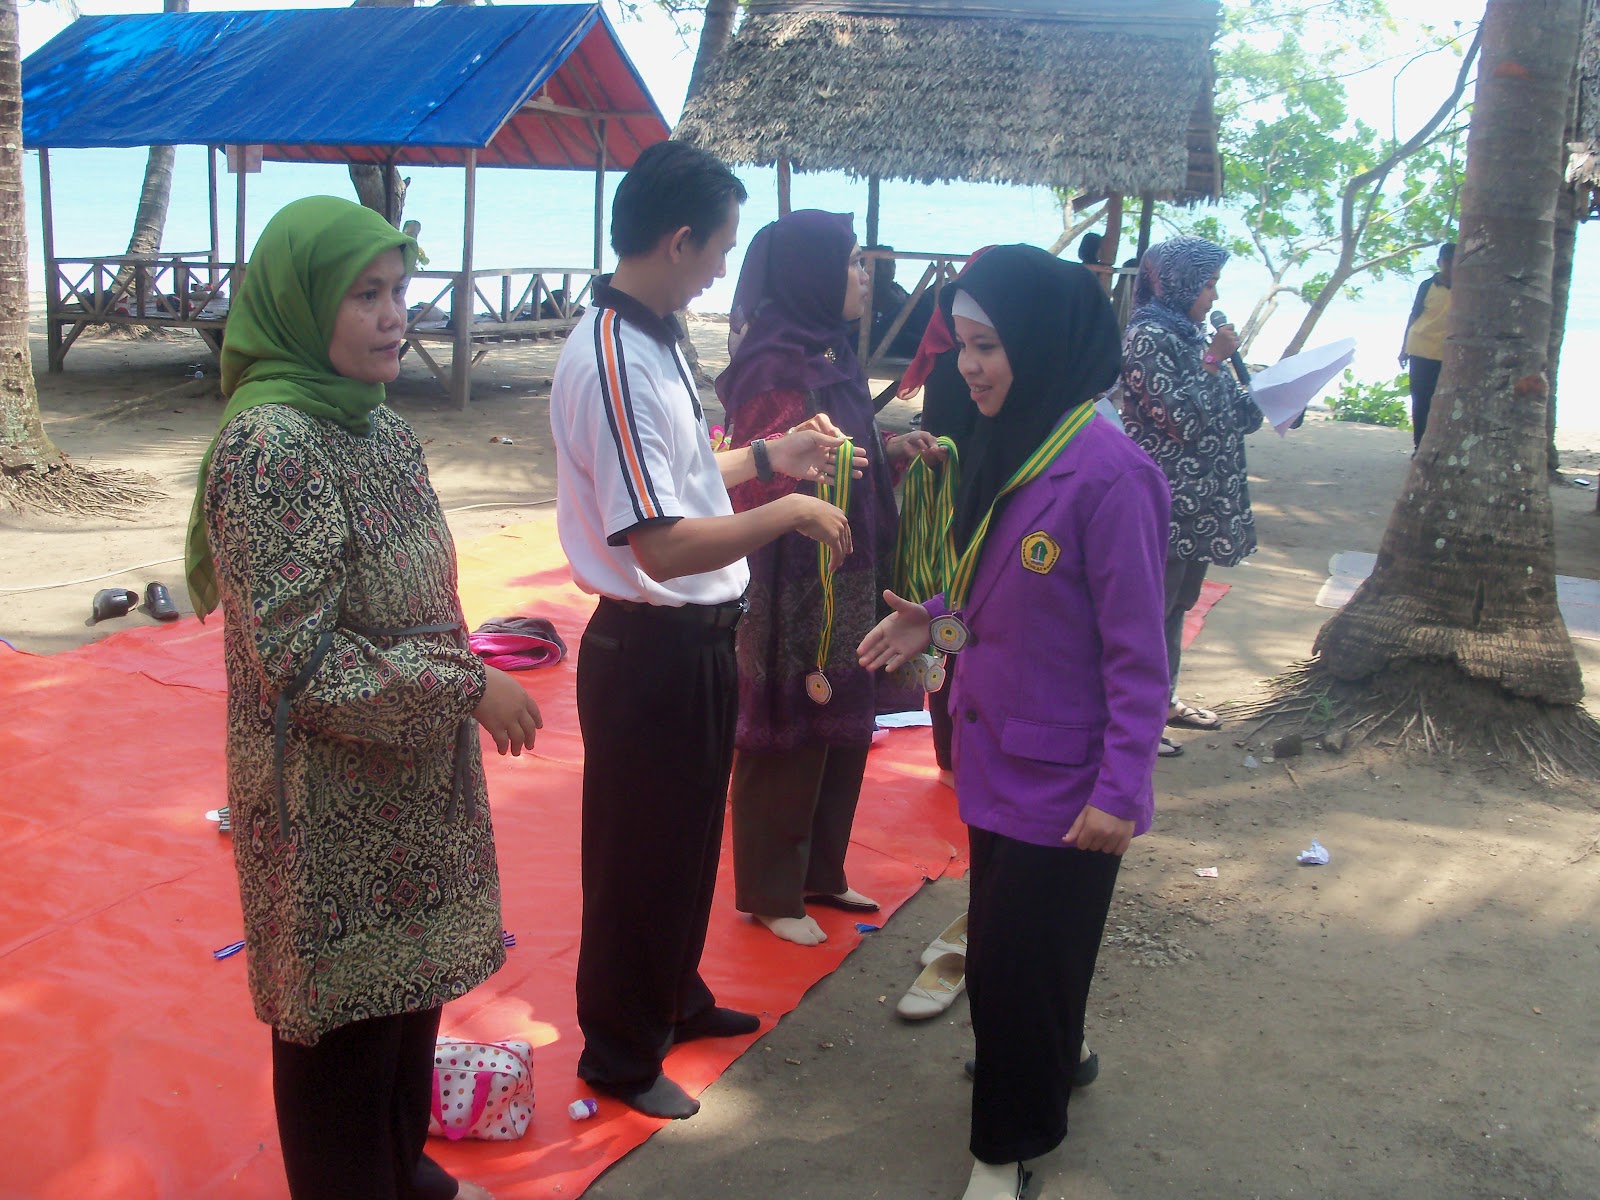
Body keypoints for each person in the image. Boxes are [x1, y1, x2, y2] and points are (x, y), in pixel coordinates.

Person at [185, 195, 542, 1200]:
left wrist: (451, 685)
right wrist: (465, 686)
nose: (396, 316)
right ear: (302, 304)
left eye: (401, 292)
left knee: (403, 1019)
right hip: (328, 815)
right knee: (342, 1039)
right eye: (367, 295)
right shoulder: (274, 447)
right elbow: (295, 664)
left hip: (414, 792)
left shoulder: (376, 427)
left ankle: (398, 1169)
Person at [548, 141, 863, 1120]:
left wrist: (773, 455)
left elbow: (682, 479)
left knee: (683, 846)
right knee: (637, 858)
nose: (726, 268)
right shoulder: (610, 352)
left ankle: (673, 1002)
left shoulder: (656, 337)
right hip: (646, 642)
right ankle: (619, 1051)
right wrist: (789, 512)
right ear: (679, 241)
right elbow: (661, 544)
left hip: (692, 640)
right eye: (720, 248)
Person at [858, 245, 1169, 1200]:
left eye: (989, 346)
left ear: (1041, 343)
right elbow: (999, 590)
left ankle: (1005, 1149)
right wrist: (930, 617)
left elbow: (1139, 658)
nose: (970, 368)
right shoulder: (1014, 445)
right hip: (1001, 761)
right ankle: (1055, 1055)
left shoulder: (1109, 477)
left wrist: (1121, 793)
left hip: (1068, 786)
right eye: (960, 346)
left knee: (1017, 967)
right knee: (1018, 951)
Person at [716, 210, 942, 947]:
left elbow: (843, 440)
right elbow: (755, 473)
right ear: (810, 274)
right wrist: (816, 469)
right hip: (791, 572)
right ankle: (772, 890)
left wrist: (893, 447)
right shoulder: (772, 363)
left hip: (848, 559)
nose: (862, 275)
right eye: (848, 262)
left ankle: (820, 870)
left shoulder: (831, 350)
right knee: (789, 723)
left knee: (844, 718)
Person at [1119, 235, 1262, 752]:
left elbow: (1241, 417)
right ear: (1176, 283)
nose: (1212, 294)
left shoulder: (1194, 335)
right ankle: (1133, 720)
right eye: (1207, 284)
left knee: (1178, 605)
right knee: (1147, 613)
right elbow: (1178, 417)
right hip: (1165, 503)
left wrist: (1254, 385)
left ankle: (1162, 702)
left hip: (1200, 506)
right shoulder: (1148, 337)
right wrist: (1210, 363)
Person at [1399, 241, 1455, 450]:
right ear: (1439, 262)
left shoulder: (1467, 289)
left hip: (1448, 352)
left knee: (1444, 401)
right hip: (1420, 347)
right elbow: (1414, 315)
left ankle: (1440, 445)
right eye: (1446, 262)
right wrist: (1403, 348)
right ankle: (1419, 446)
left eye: (1454, 262)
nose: (1450, 267)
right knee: (1420, 400)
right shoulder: (1427, 285)